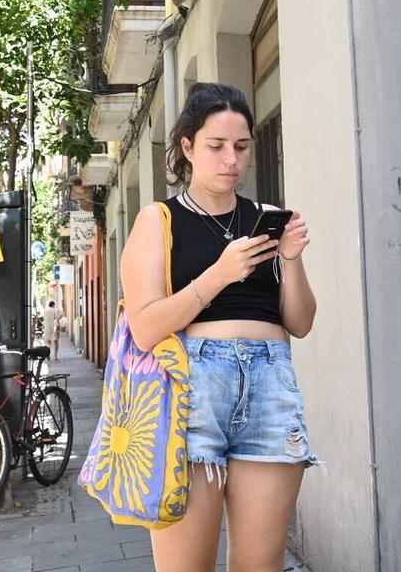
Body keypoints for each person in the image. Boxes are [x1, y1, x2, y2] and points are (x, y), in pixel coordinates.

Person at [121, 82, 318, 572]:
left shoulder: (264, 219)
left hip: (270, 386)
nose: (231, 159)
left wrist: (290, 261)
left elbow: (301, 322)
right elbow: (144, 328)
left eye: (242, 146)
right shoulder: (158, 220)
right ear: (187, 147)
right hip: (192, 393)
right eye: (216, 146)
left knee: (260, 565)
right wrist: (218, 276)